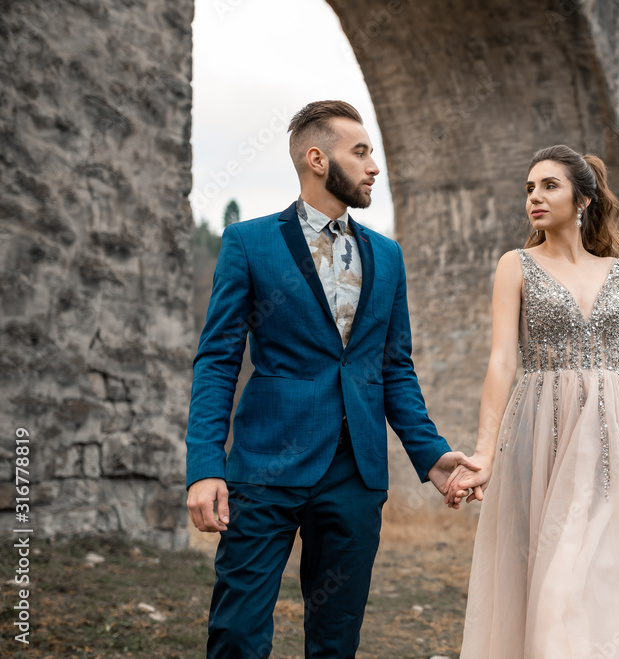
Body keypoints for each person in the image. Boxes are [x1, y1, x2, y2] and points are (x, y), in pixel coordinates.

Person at [184, 100, 479, 659]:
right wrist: (205, 467)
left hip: (355, 475)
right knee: (237, 635)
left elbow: (394, 368)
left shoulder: (387, 257)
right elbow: (218, 360)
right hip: (265, 467)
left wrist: (431, 455)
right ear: (317, 159)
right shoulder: (249, 243)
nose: (374, 167)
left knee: (335, 641)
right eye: (361, 152)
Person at [445, 145, 619, 658]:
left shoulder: (617, 272)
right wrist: (485, 453)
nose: (534, 196)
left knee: (611, 582)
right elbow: (501, 362)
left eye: (548, 186)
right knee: (551, 584)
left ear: (582, 199)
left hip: (614, 440)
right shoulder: (515, 265)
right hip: (542, 433)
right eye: (529, 188)